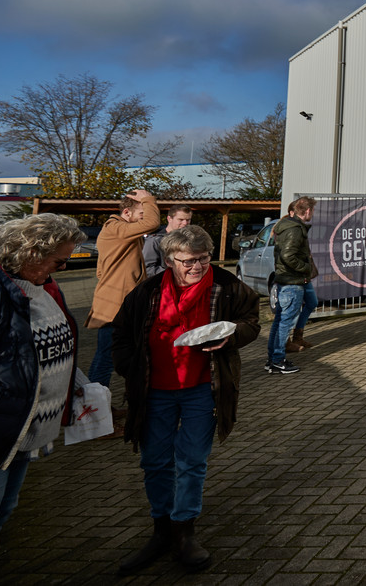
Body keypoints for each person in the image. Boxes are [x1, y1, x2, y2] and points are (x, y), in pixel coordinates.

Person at [112, 225, 260, 574]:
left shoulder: (228, 285)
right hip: (155, 391)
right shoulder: (146, 291)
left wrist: (233, 335)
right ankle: (161, 528)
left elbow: (251, 320)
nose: (197, 266)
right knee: (155, 462)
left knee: (192, 461)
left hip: (203, 388)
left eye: (204, 258)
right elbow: (120, 333)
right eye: (189, 261)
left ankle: (184, 530)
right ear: (169, 260)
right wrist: (129, 369)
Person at [0, 213, 82, 584]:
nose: (60, 268)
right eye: (58, 260)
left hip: (17, 436)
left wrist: (74, 382)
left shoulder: (37, 286)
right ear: (31, 251)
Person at [88, 189, 161, 390]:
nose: (142, 222)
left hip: (121, 304)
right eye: (140, 215)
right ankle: (92, 407)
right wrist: (148, 199)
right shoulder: (115, 228)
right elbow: (152, 224)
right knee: (106, 358)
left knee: (113, 355)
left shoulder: (123, 231)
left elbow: (102, 270)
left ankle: (100, 404)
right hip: (114, 307)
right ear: (126, 213)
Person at [267, 196, 316, 375]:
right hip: (292, 282)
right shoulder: (295, 229)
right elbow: (288, 256)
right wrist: (305, 268)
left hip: (287, 281)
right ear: (308, 211)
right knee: (284, 323)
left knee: (280, 321)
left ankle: (272, 359)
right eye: (313, 211)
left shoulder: (288, 226)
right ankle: (278, 360)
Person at [143, 205, 194, 279]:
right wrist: (172, 273)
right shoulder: (154, 240)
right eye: (181, 219)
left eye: (188, 220)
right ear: (169, 219)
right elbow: (148, 268)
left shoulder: (192, 239)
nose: (185, 223)